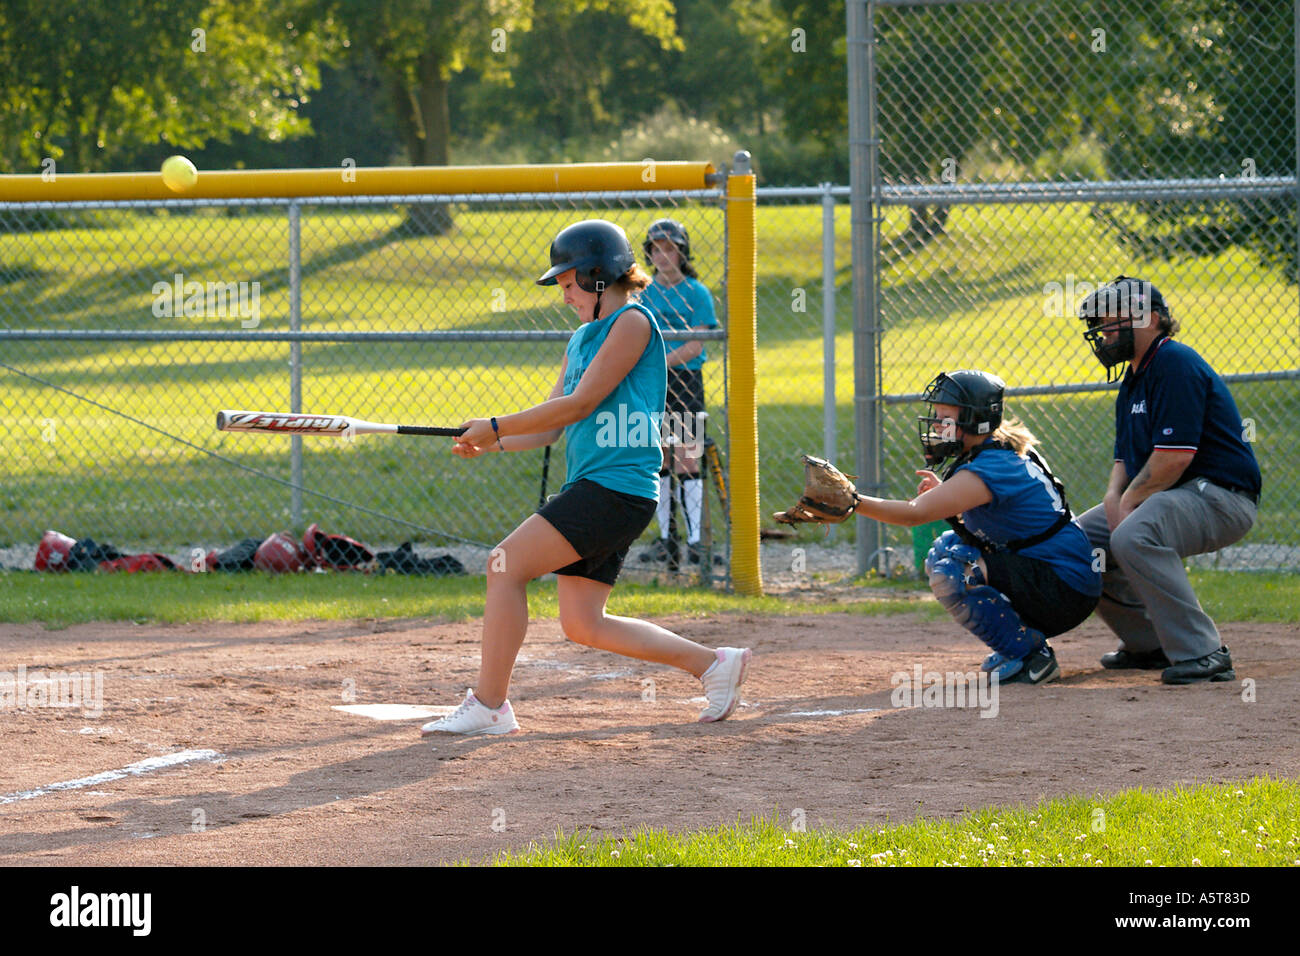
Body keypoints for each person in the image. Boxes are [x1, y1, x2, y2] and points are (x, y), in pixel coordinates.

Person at [419, 219, 751, 736]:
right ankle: (713, 664)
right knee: (583, 623)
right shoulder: (579, 340)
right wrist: (490, 440)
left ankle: (489, 705)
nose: (564, 295)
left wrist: (497, 425)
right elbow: (553, 424)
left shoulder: (634, 323)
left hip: (616, 488)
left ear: (600, 277)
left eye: (570, 283)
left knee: (504, 565)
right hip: (599, 490)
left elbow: (582, 403)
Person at [851, 369, 1101, 684]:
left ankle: (1031, 655)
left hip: (1065, 588)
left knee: (953, 572)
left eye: (945, 418)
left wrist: (852, 502)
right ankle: (1018, 643)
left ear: (974, 420)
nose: (937, 426)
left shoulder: (990, 467)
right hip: (1058, 575)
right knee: (944, 550)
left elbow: (913, 515)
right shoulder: (997, 449)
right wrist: (947, 492)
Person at [1076, 276, 1260, 684]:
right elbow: (1124, 457)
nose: (1104, 333)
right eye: (1101, 326)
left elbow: (1174, 459)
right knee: (1078, 543)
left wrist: (1126, 506)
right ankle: (1148, 643)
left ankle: (1204, 653)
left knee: (1132, 535)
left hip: (1220, 498)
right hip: (1174, 497)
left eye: (1113, 322)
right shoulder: (1134, 379)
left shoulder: (1175, 363)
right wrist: (1112, 496)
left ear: (1152, 319)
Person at [635, 219, 719, 566]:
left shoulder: (696, 292)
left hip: (684, 380)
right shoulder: (643, 293)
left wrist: (659, 362)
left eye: (670, 248)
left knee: (686, 455)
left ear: (682, 253)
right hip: (652, 384)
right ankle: (668, 538)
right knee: (660, 458)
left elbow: (696, 342)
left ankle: (696, 541)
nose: (663, 255)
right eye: (656, 249)